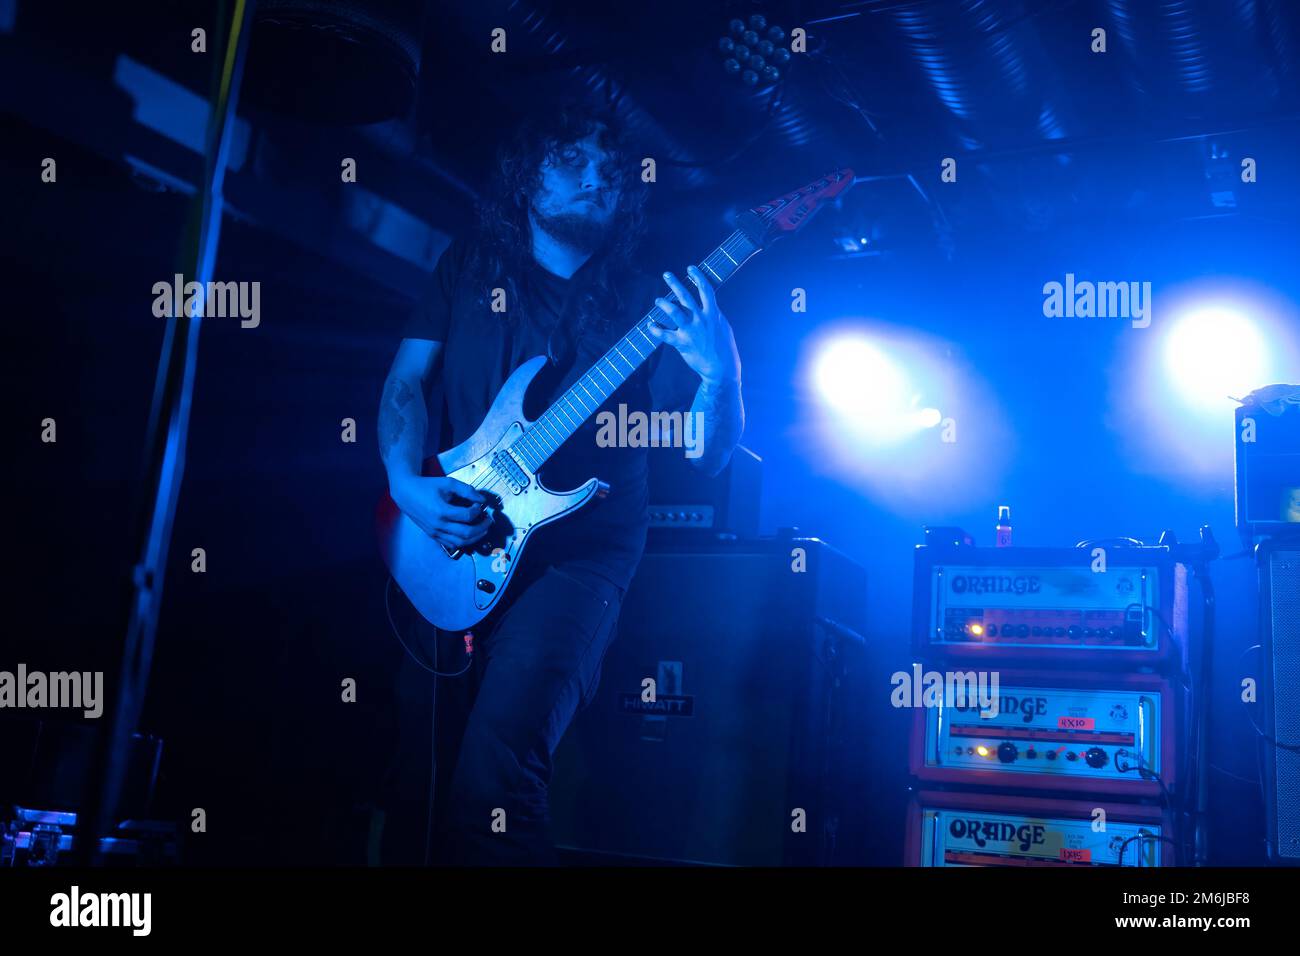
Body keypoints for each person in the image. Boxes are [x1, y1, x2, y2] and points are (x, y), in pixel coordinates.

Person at [377, 104, 744, 865]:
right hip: (449, 531)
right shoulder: (469, 267)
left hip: (579, 559)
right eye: (573, 162)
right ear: (528, 174)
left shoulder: (659, 304)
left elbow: (707, 455)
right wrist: (405, 485)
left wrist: (722, 369)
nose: (595, 180)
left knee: (493, 786)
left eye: (610, 174)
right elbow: (407, 384)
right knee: (414, 784)